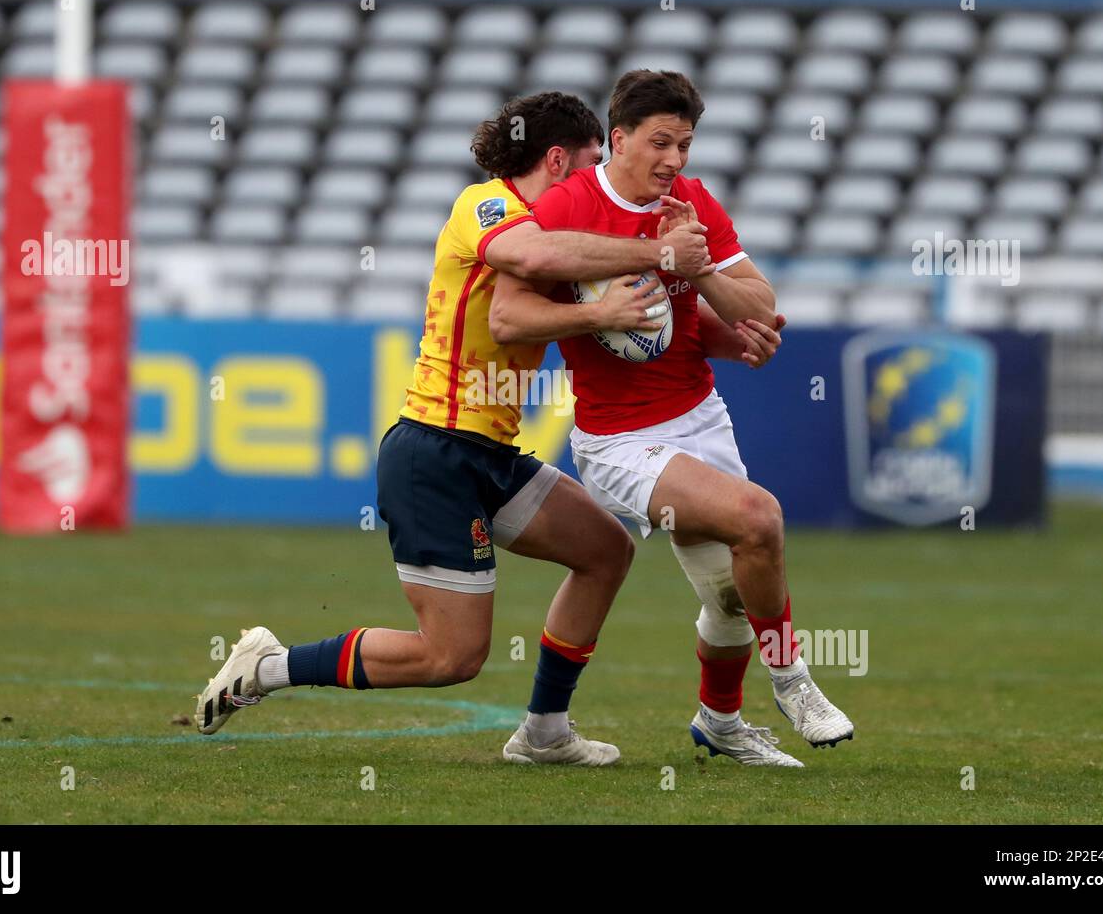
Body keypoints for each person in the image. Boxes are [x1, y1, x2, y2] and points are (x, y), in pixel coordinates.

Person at [194, 91, 715, 767]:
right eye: (590, 164)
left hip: (493, 454)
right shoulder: (488, 205)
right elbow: (529, 269)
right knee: (452, 657)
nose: (597, 180)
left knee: (606, 550)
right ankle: (269, 667)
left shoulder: (569, 244)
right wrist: (649, 254)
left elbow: (558, 301)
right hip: (435, 452)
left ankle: (545, 731)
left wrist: (722, 327)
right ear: (557, 160)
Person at [489, 70, 855, 767]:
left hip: (701, 419)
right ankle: (792, 678)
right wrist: (600, 311)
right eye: (661, 143)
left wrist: (703, 268)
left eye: (685, 145)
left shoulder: (689, 200)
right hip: (620, 441)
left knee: (733, 596)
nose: (675, 161)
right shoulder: (567, 206)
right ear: (618, 139)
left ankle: (719, 722)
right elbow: (508, 317)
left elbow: (759, 305)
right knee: (760, 518)